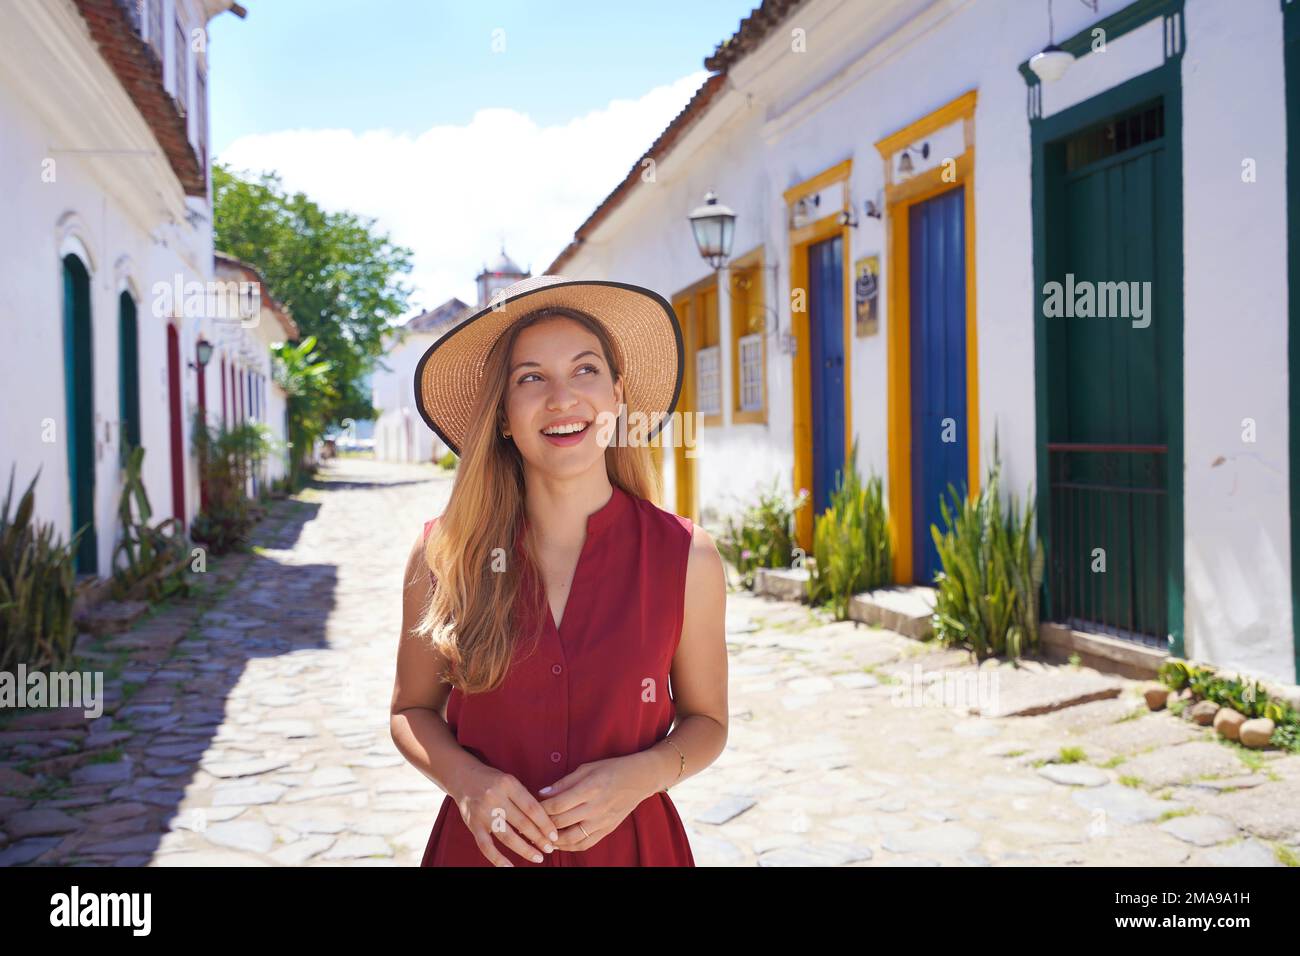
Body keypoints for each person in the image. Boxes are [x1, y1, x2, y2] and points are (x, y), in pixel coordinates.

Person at [389, 275, 728, 867]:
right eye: (530, 379)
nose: (562, 398)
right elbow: (409, 712)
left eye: (585, 370)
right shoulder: (442, 555)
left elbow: (708, 722)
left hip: (634, 852)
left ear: (617, 398)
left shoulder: (687, 557)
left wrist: (642, 774)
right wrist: (469, 783)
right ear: (501, 415)